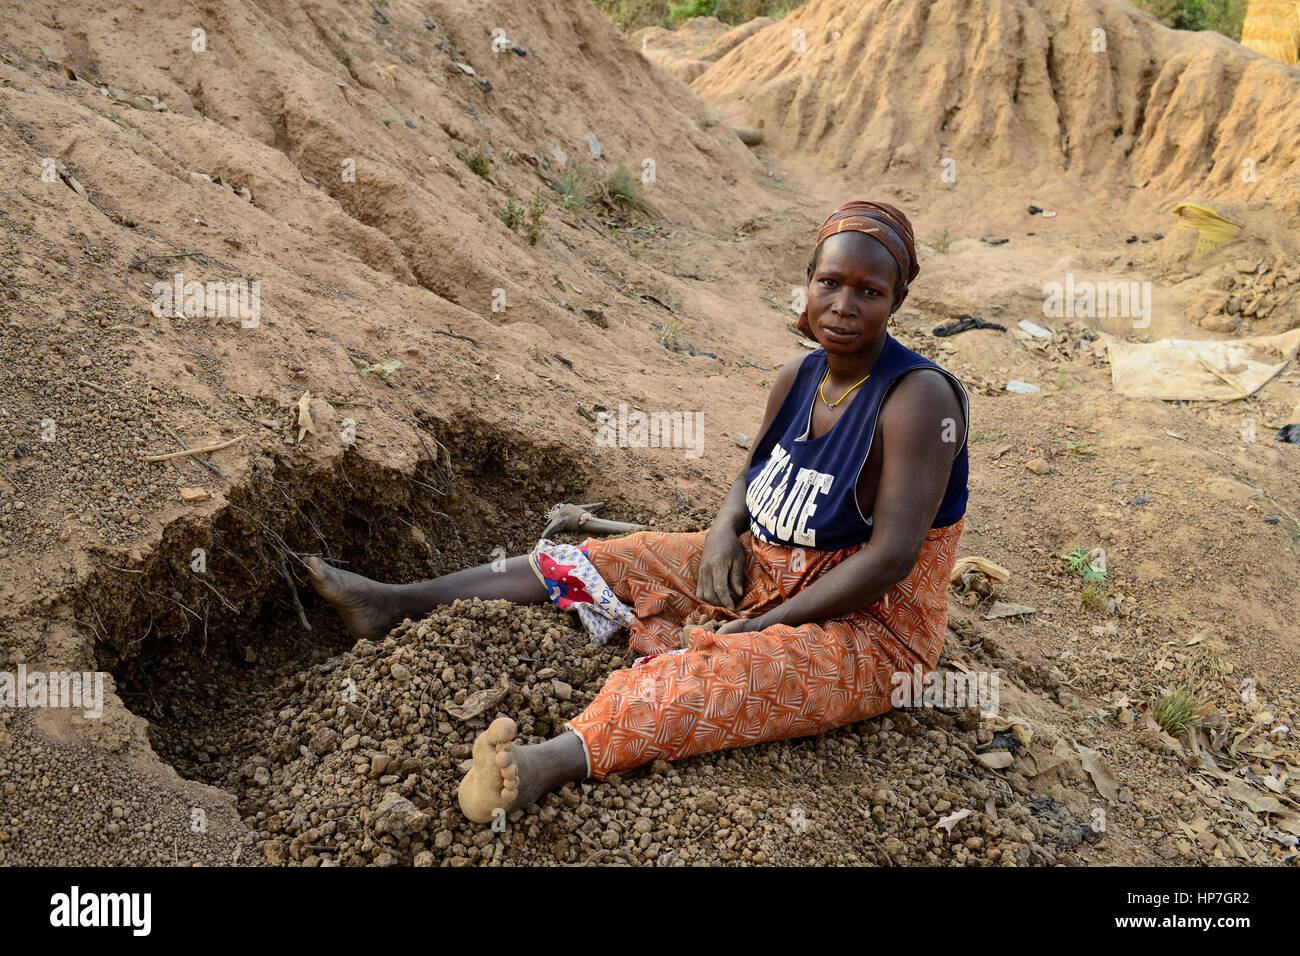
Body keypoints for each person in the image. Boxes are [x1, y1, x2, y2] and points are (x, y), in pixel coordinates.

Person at [305, 200, 970, 824]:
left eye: (869, 292)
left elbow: (891, 558)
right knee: (599, 560)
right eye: (830, 283)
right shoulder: (798, 376)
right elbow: (753, 473)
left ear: (898, 300)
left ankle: (540, 766)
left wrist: (766, 623)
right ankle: (395, 601)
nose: (844, 305)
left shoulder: (918, 399)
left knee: (726, 671)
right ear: (808, 283)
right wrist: (721, 531)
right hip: (767, 567)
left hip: (870, 629)